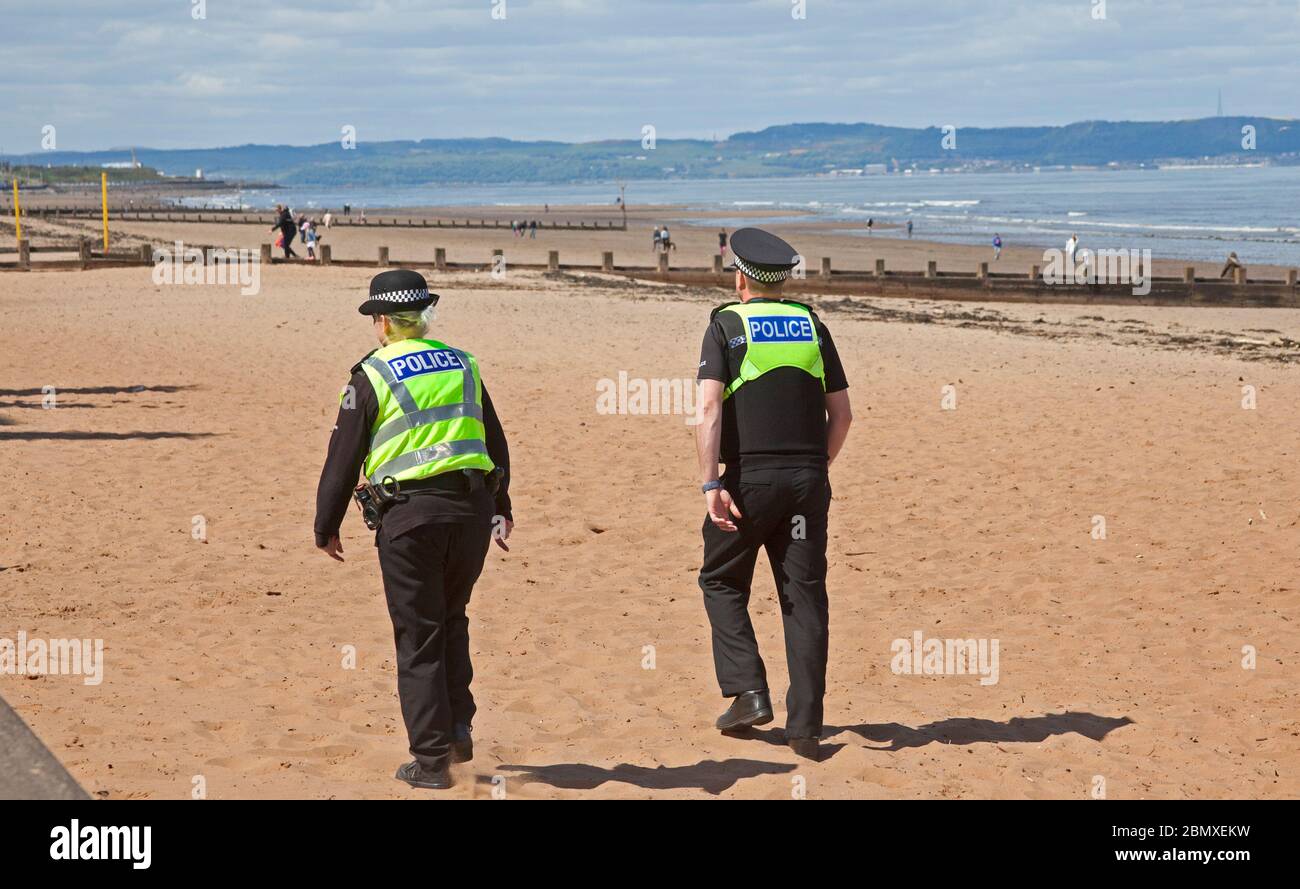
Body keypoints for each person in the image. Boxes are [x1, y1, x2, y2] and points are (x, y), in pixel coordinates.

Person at [314, 270, 515, 790]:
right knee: (452, 618)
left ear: (382, 321)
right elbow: (494, 439)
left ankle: (431, 762)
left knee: (419, 635)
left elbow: (343, 457)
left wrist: (326, 524)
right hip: (472, 513)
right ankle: (458, 729)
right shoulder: (463, 363)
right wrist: (502, 505)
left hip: (409, 519)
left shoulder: (371, 373)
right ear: (423, 316)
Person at [694, 227, 853, 762]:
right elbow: (843, 415)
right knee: (804, 597)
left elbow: (709, 410)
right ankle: (806, 728)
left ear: (740, 278)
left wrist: (711, 483)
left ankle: (749, 692)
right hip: (808, 482)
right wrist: (815, 470)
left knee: (720, 579)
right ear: (783, 280)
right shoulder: (812, 325)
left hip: (747, 481)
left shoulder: (725, 325)